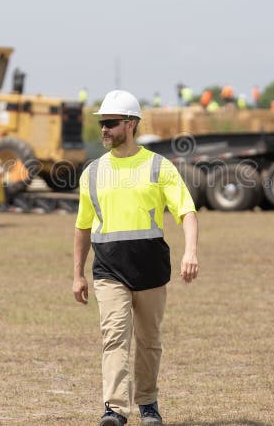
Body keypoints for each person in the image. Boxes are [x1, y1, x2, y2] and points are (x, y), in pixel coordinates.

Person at [73, 90, 199, 426]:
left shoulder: (160, 167)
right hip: (109, 270)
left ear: (130, 124)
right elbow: (83, 227)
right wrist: (77, 273)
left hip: (150, 270)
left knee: (149, 341)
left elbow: (186, 211)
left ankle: (147, 403)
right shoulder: (93, 172)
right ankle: (114, 409)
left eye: (110, 123)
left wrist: (190, 251)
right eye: (102, 123)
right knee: (114, 336)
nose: (104, 129)